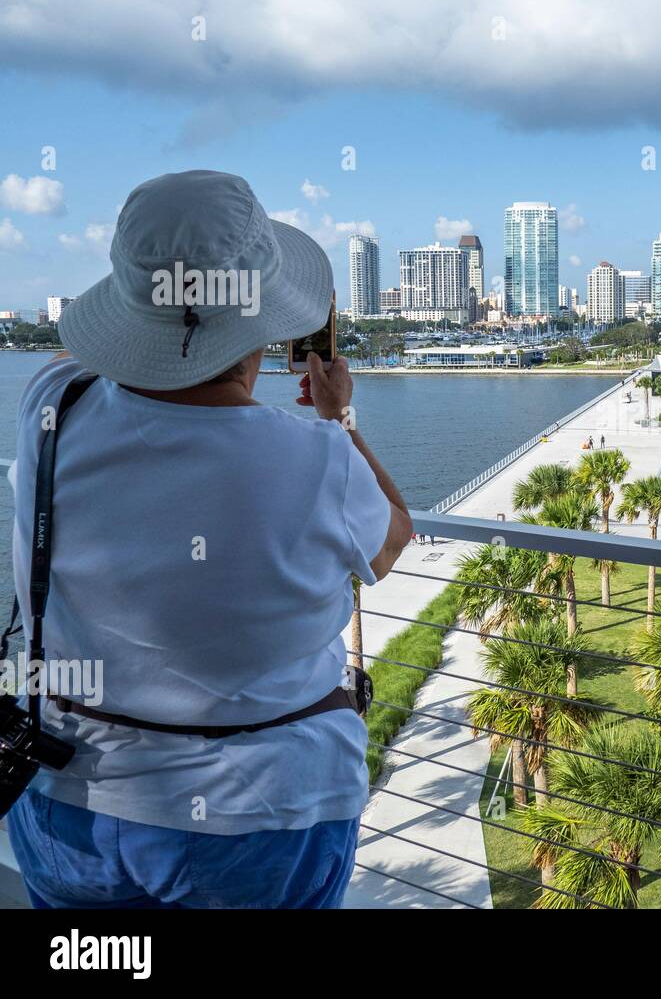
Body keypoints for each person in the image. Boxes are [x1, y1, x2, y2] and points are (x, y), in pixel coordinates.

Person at [5, 170, 412, 909]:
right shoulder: (317, 457)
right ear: (262, 323)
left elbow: (83, 360)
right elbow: (392, 537)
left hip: (71, 805)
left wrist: (162, 318)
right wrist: (339, 417)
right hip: (264, 823)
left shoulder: (50, 409)